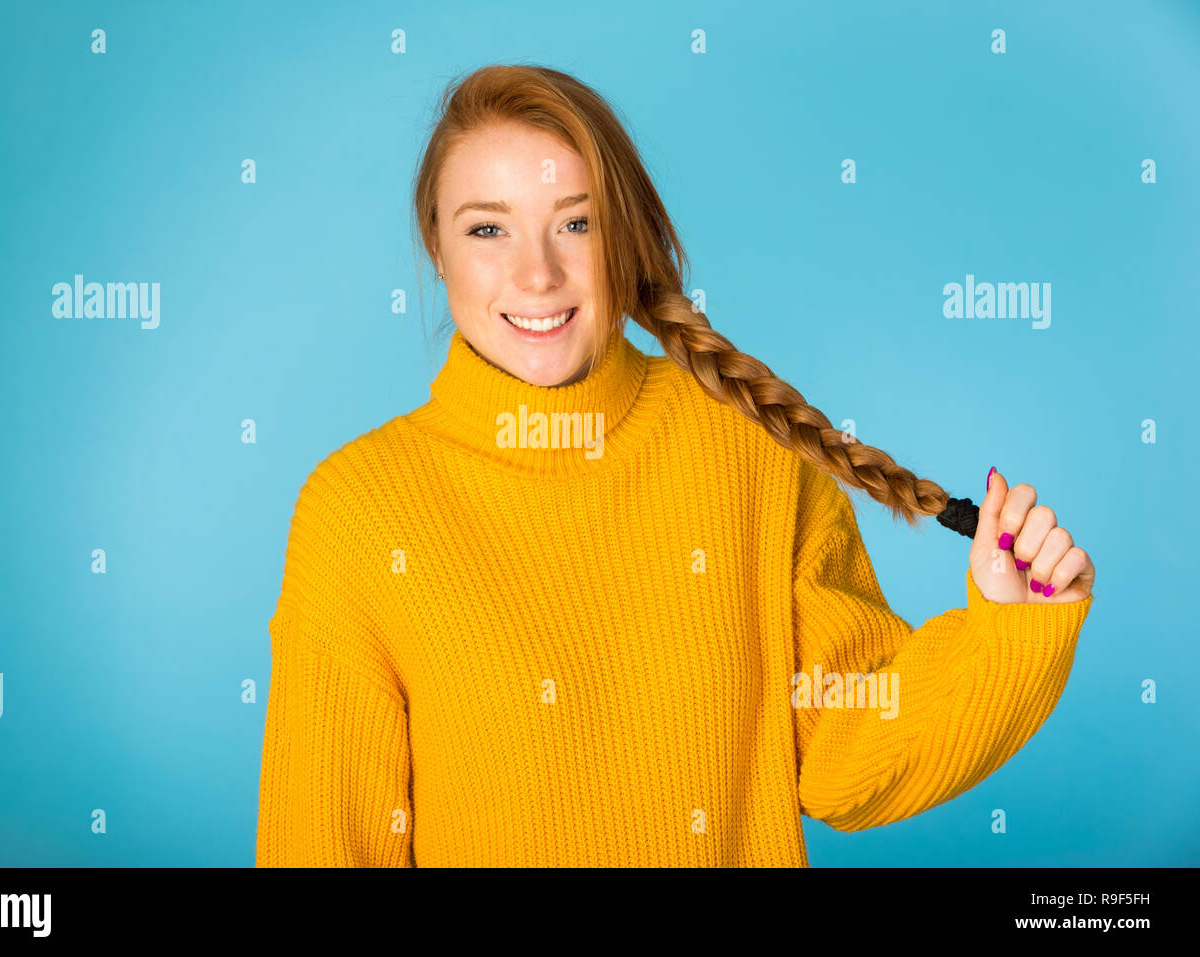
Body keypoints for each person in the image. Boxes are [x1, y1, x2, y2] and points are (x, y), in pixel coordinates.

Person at [254, 64, 1096, 867]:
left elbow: (843, 749)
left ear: (625, 240)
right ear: (437, 251)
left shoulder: (750, 450)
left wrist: (1005, 630)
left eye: (576, 223)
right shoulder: (357, 511)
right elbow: (326, 840)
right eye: (487, 228)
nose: (537, 273)